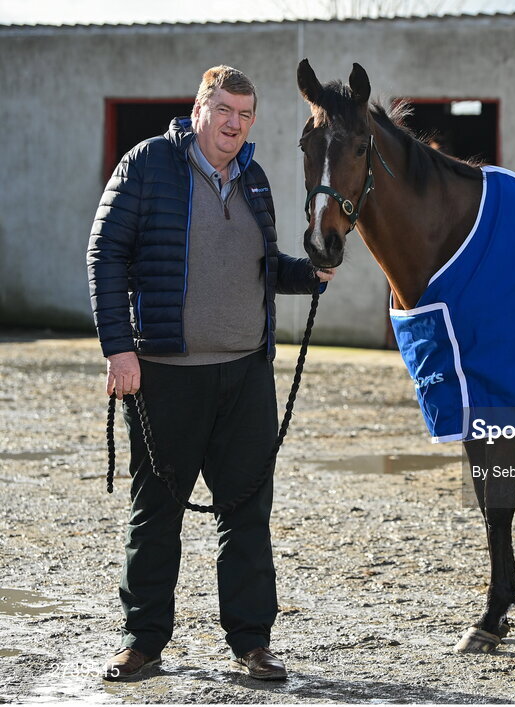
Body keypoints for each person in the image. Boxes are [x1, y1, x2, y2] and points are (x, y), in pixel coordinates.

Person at [87, 65, 334, 682]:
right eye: (224, 110)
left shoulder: (254, 178)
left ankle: (252, 643)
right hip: (165, 375)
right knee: (155, 514)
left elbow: (263, 265)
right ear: (199, 109)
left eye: (245, 115)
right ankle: (142, 641)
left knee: (247, 515)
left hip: (246, 376)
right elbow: (105, 254)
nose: (234, 124)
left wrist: (307, 274)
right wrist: (119, 350)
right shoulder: (147, 165)